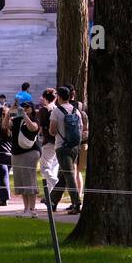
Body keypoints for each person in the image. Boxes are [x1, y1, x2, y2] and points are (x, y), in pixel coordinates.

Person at [49, 86, 83, 214]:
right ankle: (52, 200)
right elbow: (80, 129)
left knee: (68, 175)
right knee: (64, 174)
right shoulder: (76, 111)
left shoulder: (56, 111)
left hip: (61, 146)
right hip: (74, 147)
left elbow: (52, 131)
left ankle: (76, 202)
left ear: (59, 97)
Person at [11, 102, 43, 216]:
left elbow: (33, 128)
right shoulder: (16, 120)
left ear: (32, 109)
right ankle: (26, 209)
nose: (24, 109)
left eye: (27, 107)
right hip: (16, 154)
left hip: (30, 153)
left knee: (29, 180)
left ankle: (32, 209)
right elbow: (5, 126)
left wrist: (25, 116)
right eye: (22, 107)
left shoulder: (34, 119)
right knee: (21, 181)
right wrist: (10, 111)